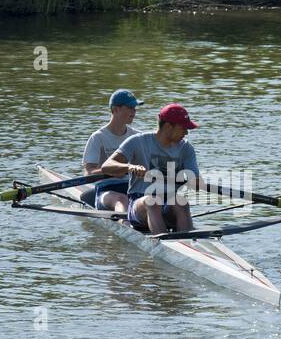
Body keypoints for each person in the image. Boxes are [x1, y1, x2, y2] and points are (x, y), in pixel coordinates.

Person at [101, 103, 203, 236]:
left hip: (169, 204)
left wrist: (192, 181)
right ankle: (163, 244)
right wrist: (130, 167)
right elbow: (107, 166)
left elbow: (196, 182)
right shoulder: (138, 141)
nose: (186, 132)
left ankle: (189, 244)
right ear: (167, 126)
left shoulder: (186, 148)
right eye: (183, 128)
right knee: (153, 200)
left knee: (181, 201)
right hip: (140, 203)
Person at [81, 89, 143, 214]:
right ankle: (125, 226)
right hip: (106, 190)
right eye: (130, 107)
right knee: (122, 199)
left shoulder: (137, 136)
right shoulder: (98, 138)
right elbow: (88, 173)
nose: (134, 112)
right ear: (115, 109)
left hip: (131, 188)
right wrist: (115, 170)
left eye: (135, 108)